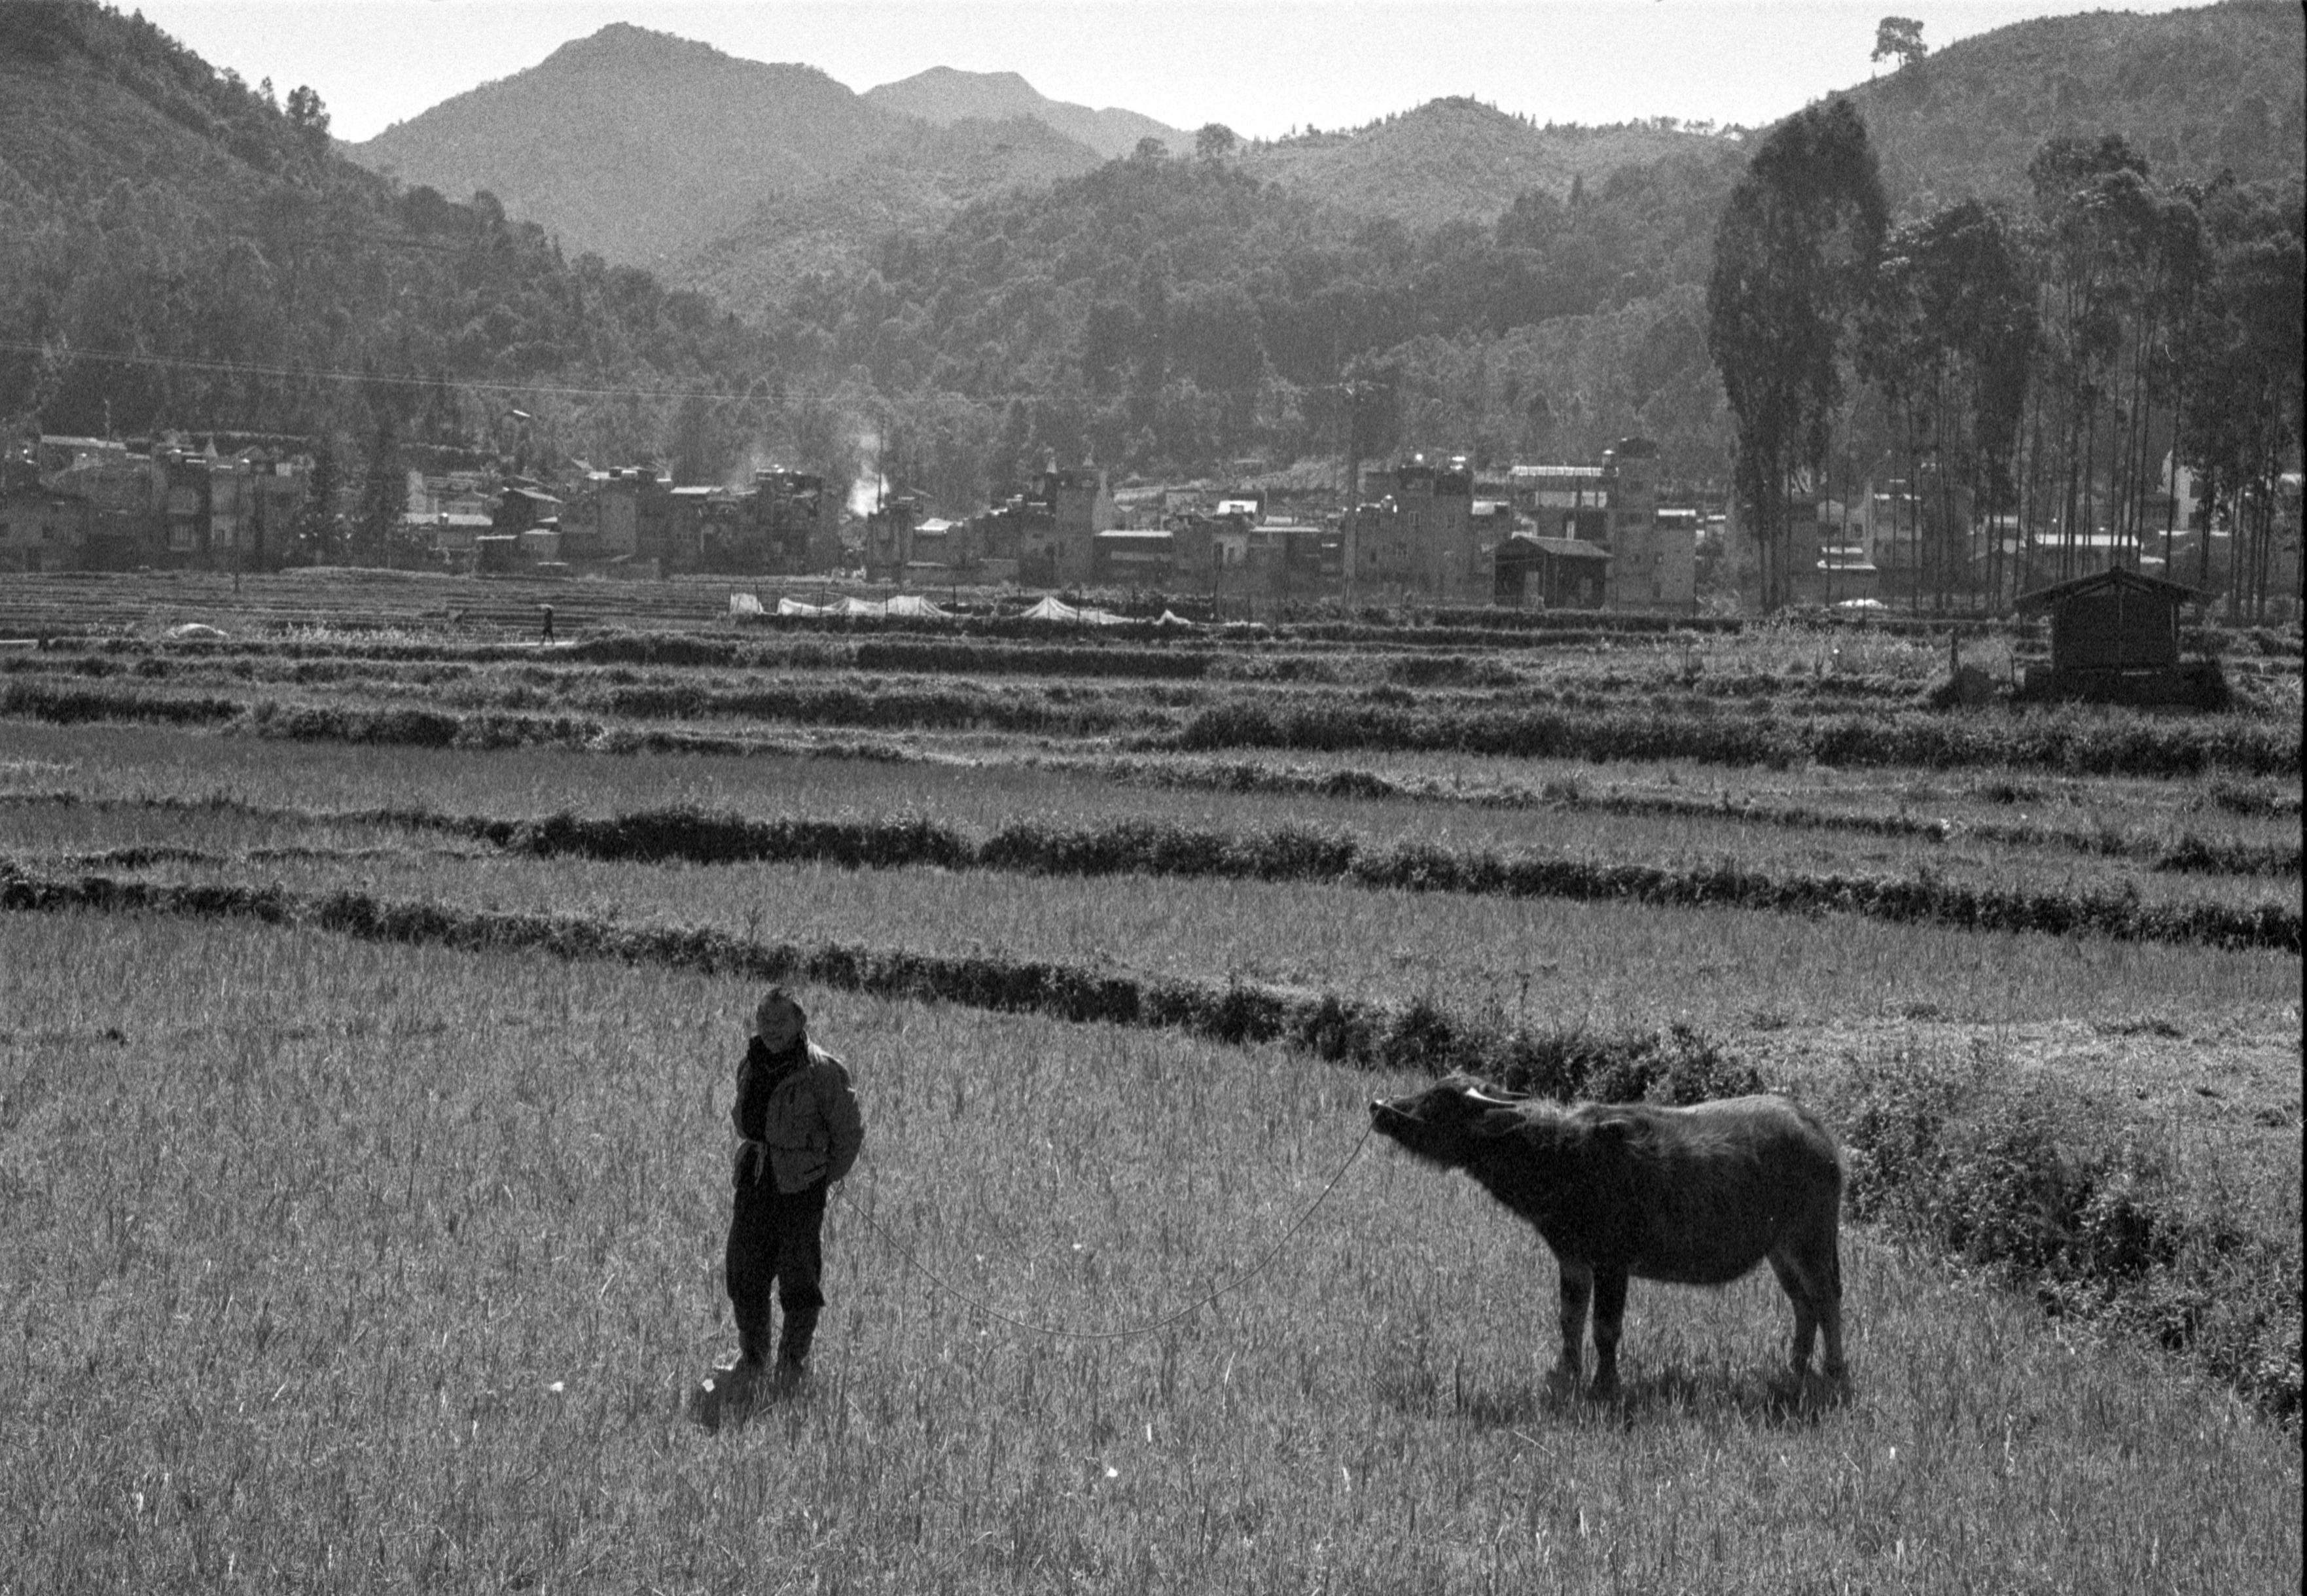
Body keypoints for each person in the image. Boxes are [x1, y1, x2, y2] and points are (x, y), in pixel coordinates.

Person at [726, 987, 864, 1394]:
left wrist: (822, 1175)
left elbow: (849, 1132)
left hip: (801, 1189)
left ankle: (792, 1363)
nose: (770, 1030)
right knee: (743, 1273)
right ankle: (753, 1359)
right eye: (764, 1021)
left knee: (799, 1280)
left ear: (800, 1022)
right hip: (755, 1180)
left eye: (780, 1022)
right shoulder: (750, 1063)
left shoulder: (823, 1071)